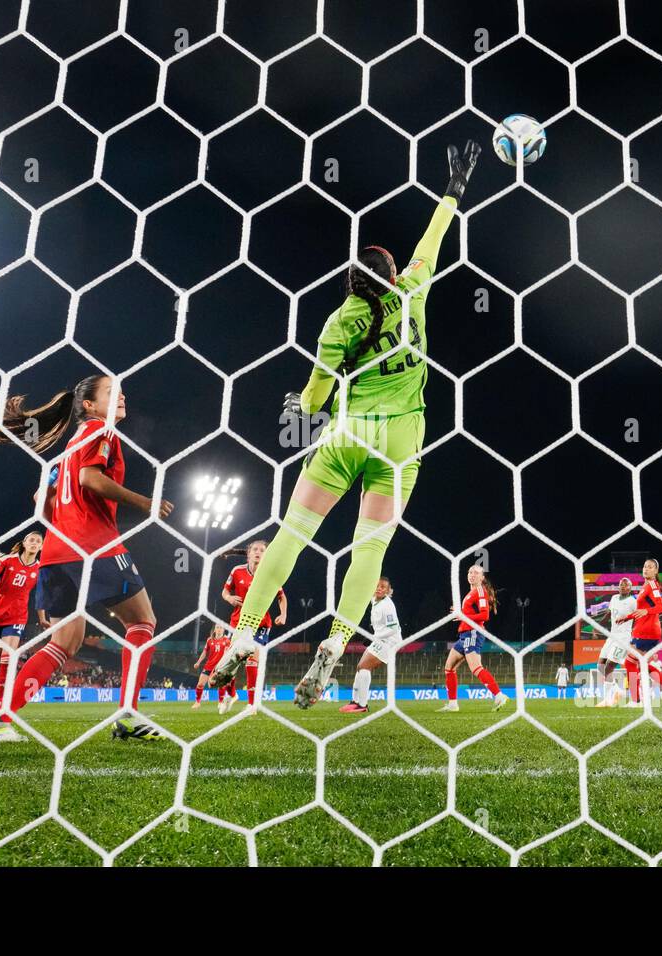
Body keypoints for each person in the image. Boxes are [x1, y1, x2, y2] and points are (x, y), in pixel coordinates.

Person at [211, 140, 483, 709]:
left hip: (347, 434)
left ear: (352, 284)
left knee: (292, 534)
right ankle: (334, 650)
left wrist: (299, 405)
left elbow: (313, 398)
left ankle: (242, 637)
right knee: (369, 554)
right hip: (401, 443)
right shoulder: (413, 292)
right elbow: (432, 242)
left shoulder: (338, 323)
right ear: (391, 274)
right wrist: (454, 187)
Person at [0, 375, 172, 743]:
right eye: (112, 392)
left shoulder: (68, 447)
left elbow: (40, 499)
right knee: (143, 622)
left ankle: (0, 721)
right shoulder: (102, 431)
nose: (122, 396)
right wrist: (145, 504)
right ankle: (128, 715)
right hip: (94, 545)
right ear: (89, 406)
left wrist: (63, 531)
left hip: (56, 551)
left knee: (63, 642)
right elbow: (90, 479)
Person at [0, 532, 43, 720]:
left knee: (8, 658)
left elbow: (40, 596)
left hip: (17, 617)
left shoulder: (40, 568)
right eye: (32, 540)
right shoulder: (8, 560)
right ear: (24, 543)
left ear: (41, 547)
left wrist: (42, 617)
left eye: (38, 541)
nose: (35, 543)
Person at [221, 540, 287, 711]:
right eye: (255, 549)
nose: (258, 552)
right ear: (248, 553)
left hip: (261, 623)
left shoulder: (269, 574)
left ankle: (252, 705)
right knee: (231, 662)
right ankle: (232, 693)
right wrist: (229, 598)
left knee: (252, 661)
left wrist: (283, 613)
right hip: (238, 622)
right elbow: (225, 591)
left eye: (262, 550)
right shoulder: (237, 571)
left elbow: (281, 596)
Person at [439, 564, 509, 712]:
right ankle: (452, 704)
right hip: (464, 634)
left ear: (482, 577)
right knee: (449, 668)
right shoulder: (471, 592)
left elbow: (485, 615)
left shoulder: (480, 592)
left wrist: (462, 615)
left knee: (476, 667)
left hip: (473, 633)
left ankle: (499, 695)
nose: (472, 574)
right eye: (470, 572)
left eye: (476, 573)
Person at [339, 577, 401, 714]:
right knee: (360, 667)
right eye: (377, 586)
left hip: (390, 642)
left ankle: (362, 705)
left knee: (364, 667)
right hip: (380, 639)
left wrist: (374, 637)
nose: (379, 588)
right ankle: (354, 702)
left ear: (388, 591)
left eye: (383, 587)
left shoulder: (387, 606)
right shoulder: (375, 600)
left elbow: (393, 629)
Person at [620, 559, 662, 707]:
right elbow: (641, 611)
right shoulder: (645, 586)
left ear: (655, 572)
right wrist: (626, 618)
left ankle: (635, 700)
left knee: (630, 662)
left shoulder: (652, 585)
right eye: (645, 566)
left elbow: (661, 607)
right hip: (642, 630)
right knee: (639, 663)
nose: (646, 569)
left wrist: (646, 610)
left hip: (648, 631)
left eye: (650, 567)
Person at [595, 577, 636, 708]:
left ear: (630, 588)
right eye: (621, 584)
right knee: (600, 665)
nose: (623, 587)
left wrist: (634, 635)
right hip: (612, 635)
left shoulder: (632, 602)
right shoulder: (614, 598)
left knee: (609, 667)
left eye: (626, 585)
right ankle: (617, 690)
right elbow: (608, 614)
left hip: (623, 638)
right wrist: (597, 627)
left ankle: (607, 701)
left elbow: (638, 618)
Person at [191, 624, 235, 712]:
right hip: (209, 666)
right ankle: (197, 702)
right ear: (214, 630)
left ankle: (220, 702)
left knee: (221, 685)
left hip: (220, 667)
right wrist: (198, 662)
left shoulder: (227, 641)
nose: (219, 629)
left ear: (223, 630)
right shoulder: (209, 640)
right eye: (217, 628)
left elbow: (230, 654)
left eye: (221, 628)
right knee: (200, 684)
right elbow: (204, 652)